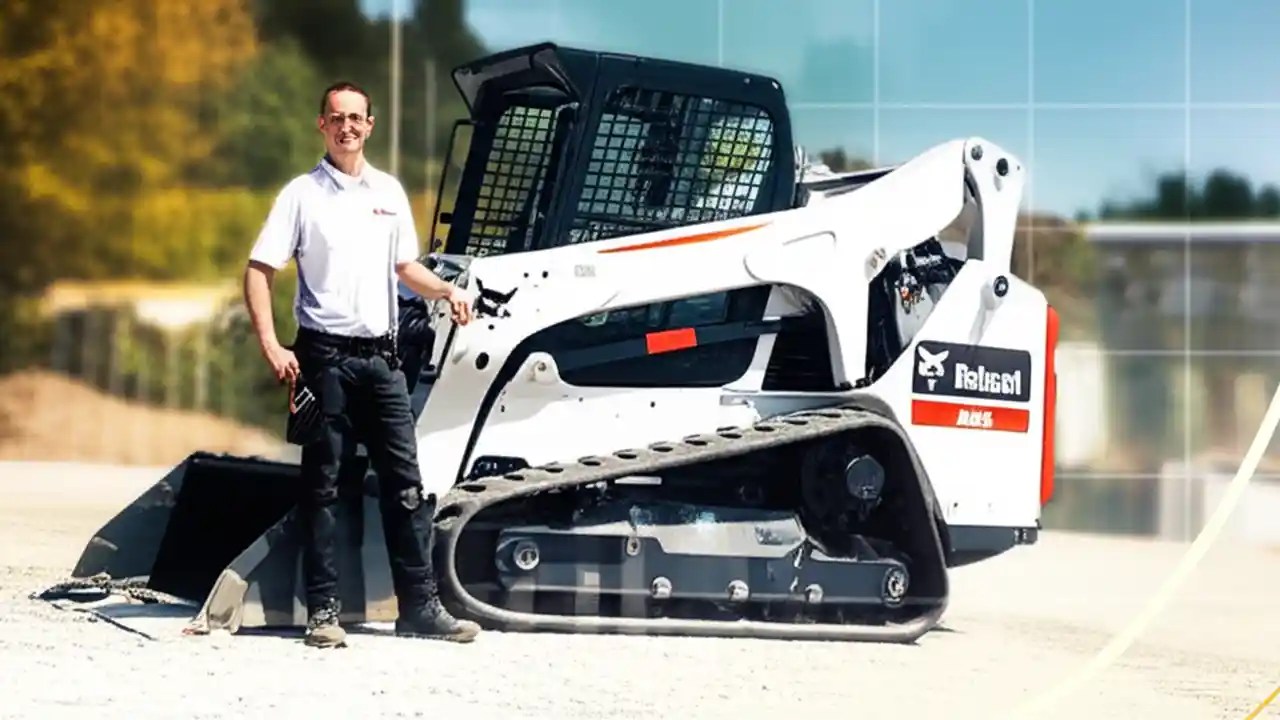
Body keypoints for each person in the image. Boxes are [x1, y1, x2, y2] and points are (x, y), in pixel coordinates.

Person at [241, 80, 480, 649]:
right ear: (321, 125)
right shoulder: (301, 194)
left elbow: (405, 268)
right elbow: (258, 269)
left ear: (370, 125)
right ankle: (322, 612)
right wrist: (274, 347)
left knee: (407, 487)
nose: (347, 126)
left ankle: (418, 608)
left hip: (382, 361)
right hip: (323, 359)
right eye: (336, 117)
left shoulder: (390, 193)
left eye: (356, 117)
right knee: (324, 488)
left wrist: (446, 291)